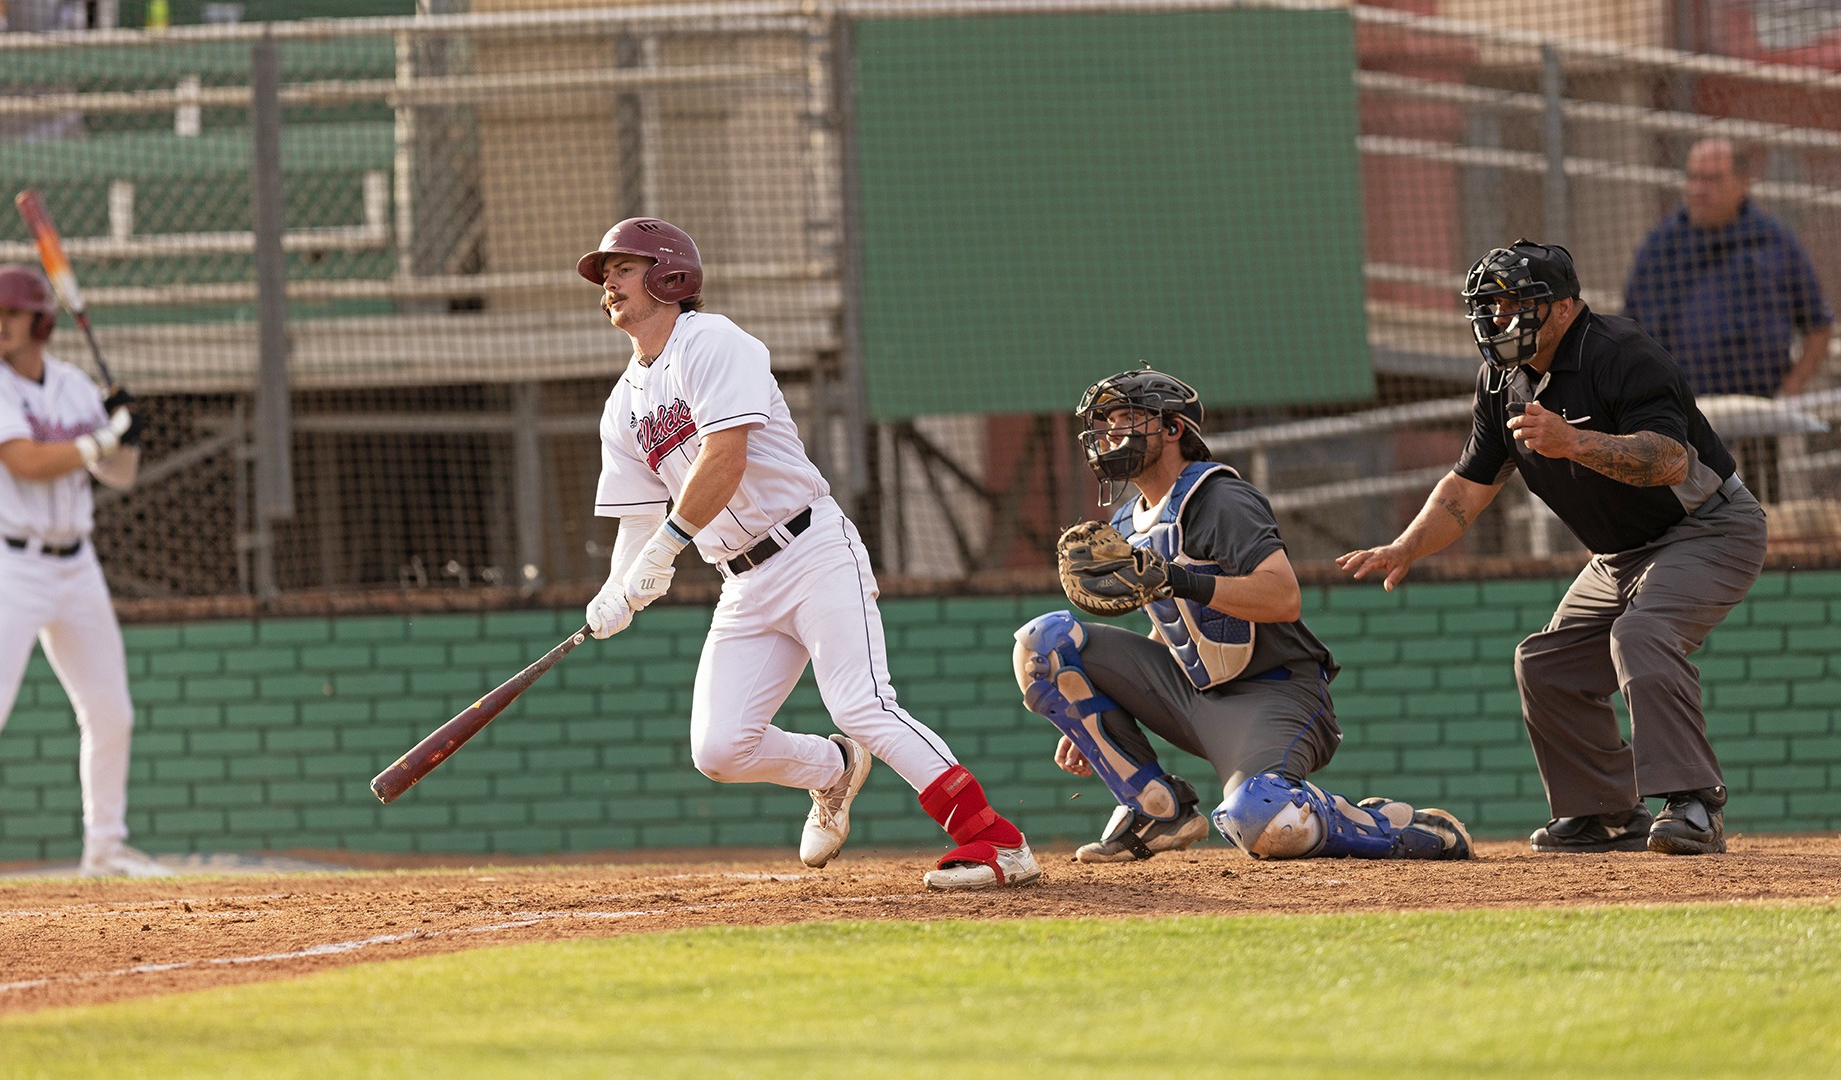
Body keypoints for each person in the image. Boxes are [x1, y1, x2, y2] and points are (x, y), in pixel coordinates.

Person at [576, 218, 1039, 891]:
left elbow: (724, 457)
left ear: (668, 276)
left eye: (622, 268)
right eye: (605, 274)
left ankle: (995, 841)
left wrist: (669, 549)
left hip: (810, 547)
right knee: (720, 748)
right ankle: (833, 770)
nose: (608, 285)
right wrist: (618, 588)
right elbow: (638, 517)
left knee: (862, 703)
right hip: (742, 581)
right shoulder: (623, 404)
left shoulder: (714, 341)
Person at [1339, 240, 1768, 856]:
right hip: (1622, 554)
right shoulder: (1501, 381)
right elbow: (1467, 487)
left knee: (1641, 635)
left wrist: (1576, 444)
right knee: (1546, 664)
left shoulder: (1622, 354)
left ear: (1565, 307)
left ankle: (1694, 804)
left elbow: (1673, 460)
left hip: (1710, 528)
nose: (1498, 319)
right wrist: (1406, 546)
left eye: (1515, 304)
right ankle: (1605, 813)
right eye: (1490, 305)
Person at [1016, 363, 1474, 864]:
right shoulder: (1127, 518)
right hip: (1194, 694)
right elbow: (1173, 622)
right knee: (1044, 645)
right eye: (1106, 422)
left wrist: (1177, 577)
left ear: (1172, 429)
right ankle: (1154, 809)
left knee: (1261, 819)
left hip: (1275, 692)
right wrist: (1095, 713)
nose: (1110, 433)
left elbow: (1283, 597)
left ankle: (1394, 825)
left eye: (1127, 417)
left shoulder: (1219, 497)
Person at [0, 264, 168, 884]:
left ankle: (105, 846)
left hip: (75, 564)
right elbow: (26, 461)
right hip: (7, 563)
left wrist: (125, 433)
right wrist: (100, 441)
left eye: (11, 313)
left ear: (41, 320)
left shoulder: (73, 387)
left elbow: (122, 475)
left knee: (111, 710)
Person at [1622, 138, 1832, 399]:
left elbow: (1819, 326)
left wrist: (1793, 386)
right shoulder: (1659, 248)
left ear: (1742, 184)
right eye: (1694, 178)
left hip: (1755, 414)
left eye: (1713, 180)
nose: (1699, 189)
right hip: (1677, 412)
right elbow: (1628, 329)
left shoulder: (1775, 245)